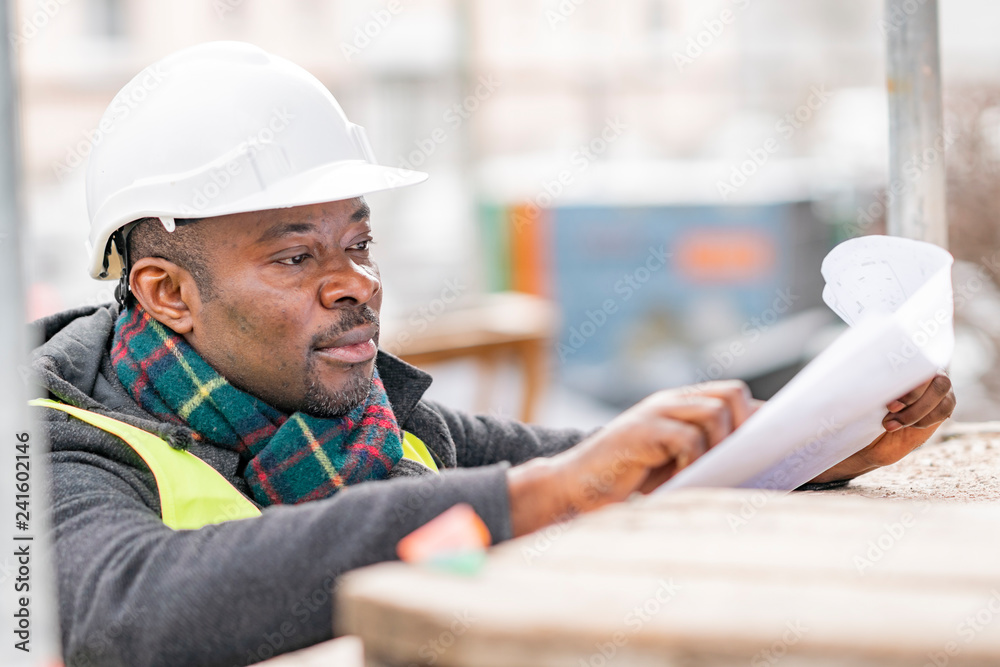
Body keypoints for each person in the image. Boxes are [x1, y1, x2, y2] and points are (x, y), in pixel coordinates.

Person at [29, 42, 956, 667]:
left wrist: (817, 451)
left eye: (358, 241)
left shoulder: (384, 425)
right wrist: (525, 499)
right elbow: (129, 606)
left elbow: (596, 465)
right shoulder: (49, 450)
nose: (354, 280)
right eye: (296, 255)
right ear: (168, 294)